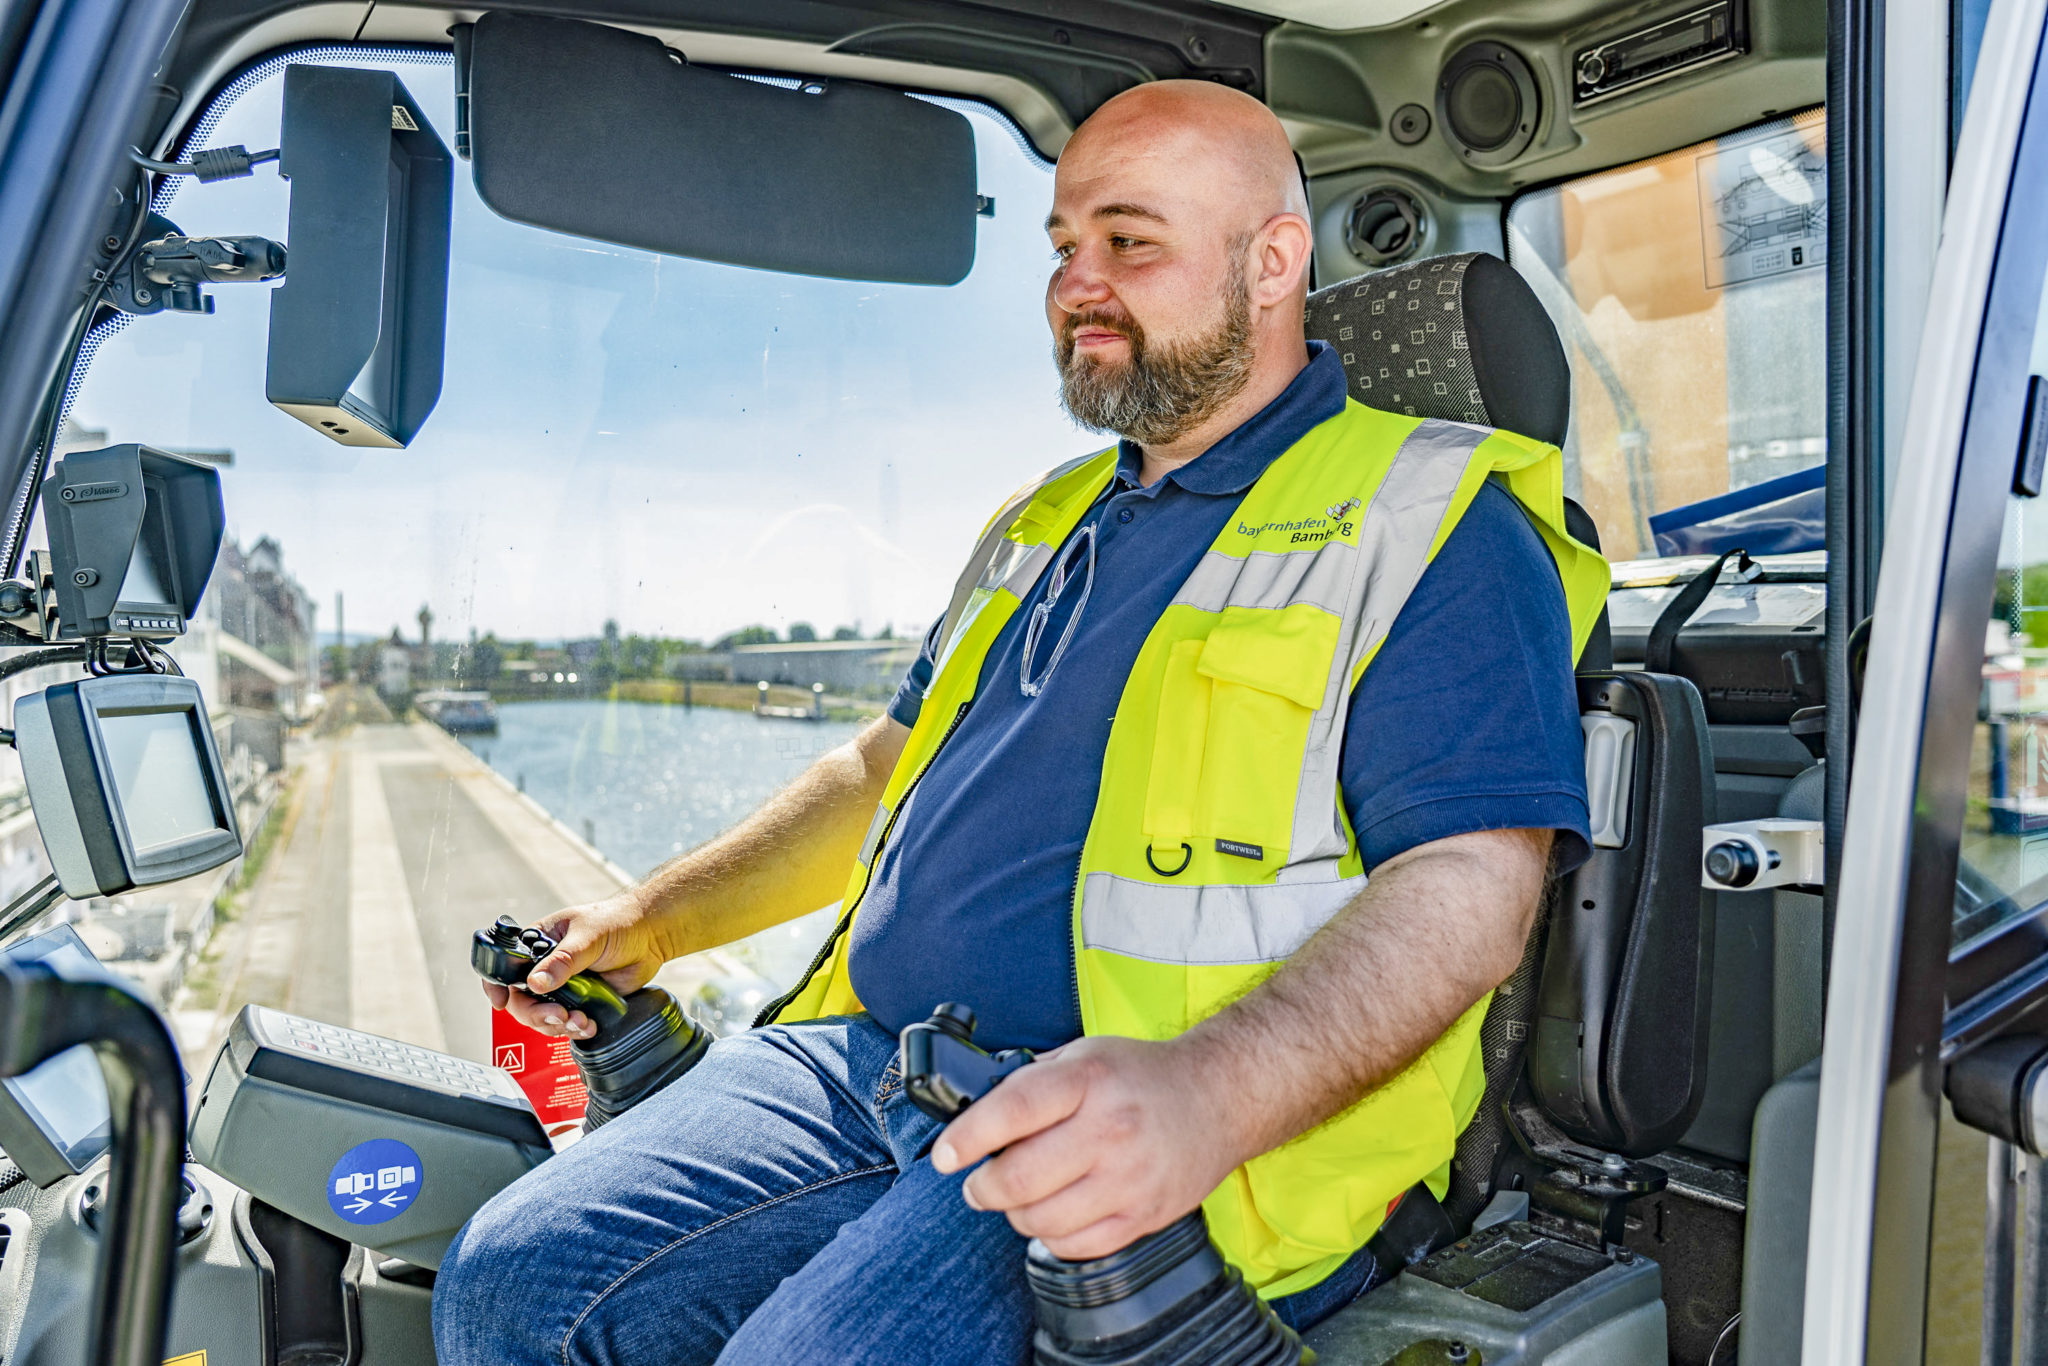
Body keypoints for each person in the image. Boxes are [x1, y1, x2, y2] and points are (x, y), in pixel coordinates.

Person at [432, 78, 1606, 1366]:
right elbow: (886, 770)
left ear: (1273, 263)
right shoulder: (1044, 517)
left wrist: (1201, 1097)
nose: (1073, 286)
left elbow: (1470, 890)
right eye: (1062, 247)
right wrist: (656, 921)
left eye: (1129, 241)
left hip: (1150, 1128)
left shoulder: (1434, 528)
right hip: (874, 1064)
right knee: (509, 1282)